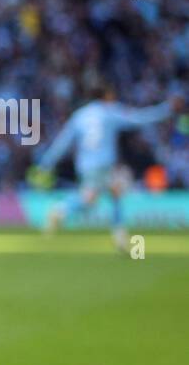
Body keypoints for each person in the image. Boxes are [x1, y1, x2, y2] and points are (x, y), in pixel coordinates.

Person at [37, 83, 182, 252]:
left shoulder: (80, 115)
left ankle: (120, 237)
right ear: (105, 96)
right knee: (90, 198)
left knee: (114, 194)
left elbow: (63, 142)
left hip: (86, 166)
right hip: (103, 164)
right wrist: (166, 108)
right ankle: (61, 209)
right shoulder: (110, 111)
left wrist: (46, 163)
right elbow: (139, 118)